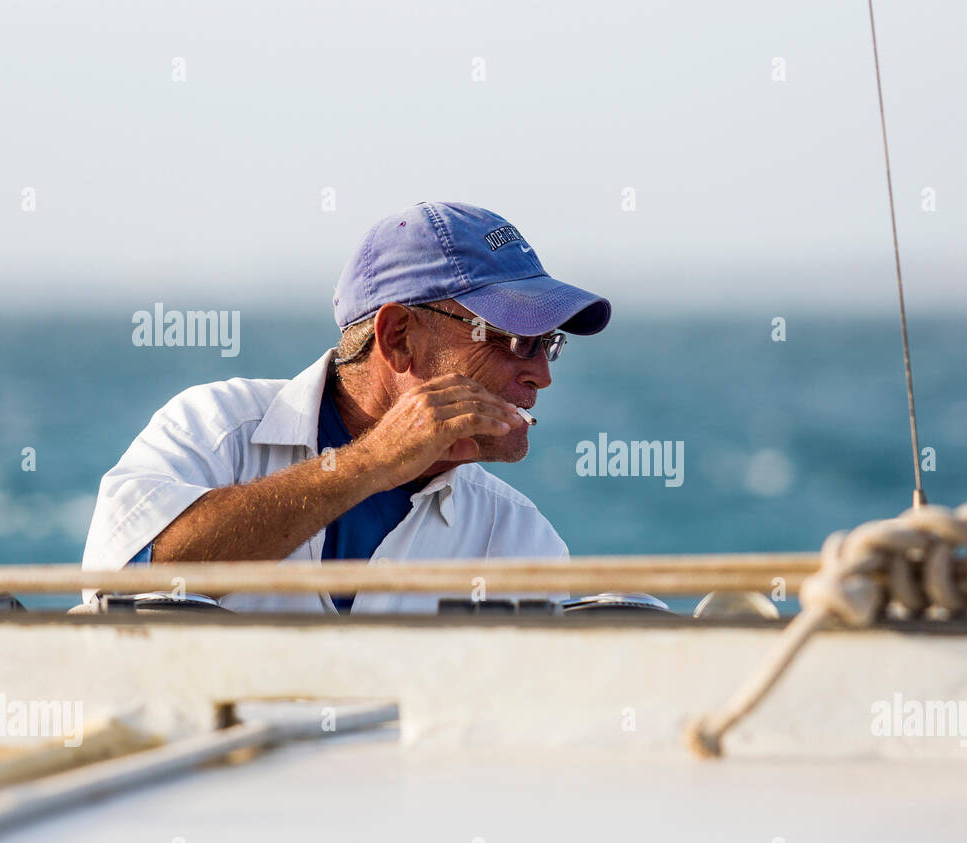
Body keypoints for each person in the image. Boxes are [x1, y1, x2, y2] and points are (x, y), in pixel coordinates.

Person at [82, 201, 611, 613]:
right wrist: (372, 462)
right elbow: (123, 580)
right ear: (399, 336)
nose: (541, 374)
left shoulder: (519, 535)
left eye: (550, 344)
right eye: (515, 339)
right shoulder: (215, 427)